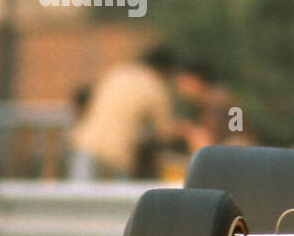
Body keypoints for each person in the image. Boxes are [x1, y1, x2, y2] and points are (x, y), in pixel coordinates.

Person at [67, 44, 204, 181]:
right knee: (115, 200)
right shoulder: (155, 86)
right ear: (165, 69)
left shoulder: (119, 73)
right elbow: (163, 132)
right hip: (117, 153)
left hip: (85, 144)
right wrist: (186, 130)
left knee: (78, 198)